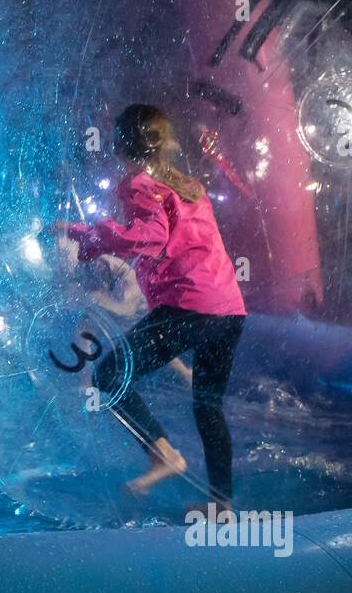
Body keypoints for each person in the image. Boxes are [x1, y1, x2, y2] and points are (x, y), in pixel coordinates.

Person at [60, 104, 246, 510]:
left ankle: (162, 454)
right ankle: (221, 507)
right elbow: (169, 242)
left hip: (190, 308)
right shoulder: (186, 186)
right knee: (208, 406)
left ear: (120, 147)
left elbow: (150, 238)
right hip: (229, 310)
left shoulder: (140, 185)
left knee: (108, 374)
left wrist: (91, 237)